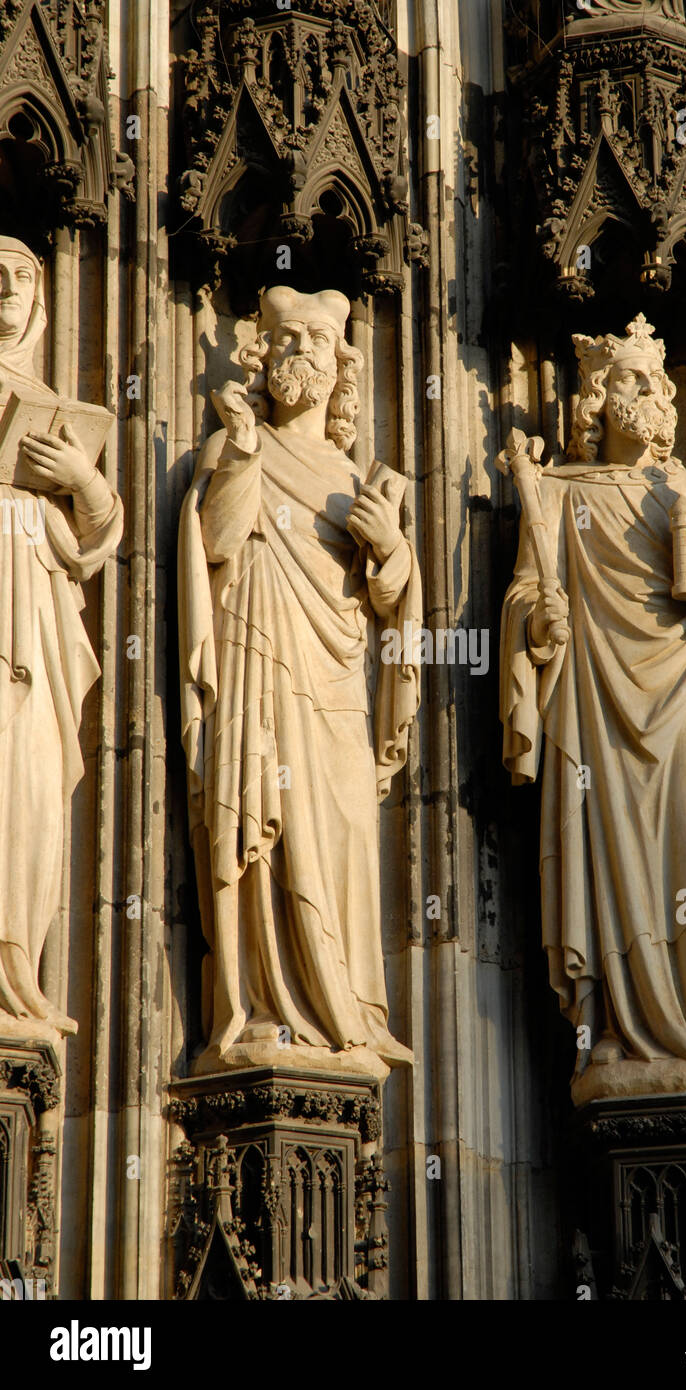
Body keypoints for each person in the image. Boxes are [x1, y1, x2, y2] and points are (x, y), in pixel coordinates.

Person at [500, 314, 686, 1104]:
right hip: (597, 710)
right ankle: (614, 1027)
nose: (647, 390)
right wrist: (536, 627)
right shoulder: (554, 493)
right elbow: (527, 593)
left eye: (655, 378)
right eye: (628, 378)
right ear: (594, 397)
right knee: (610, 867)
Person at [179, 286, 421, 1078]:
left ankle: (349, 1006)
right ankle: (265, 1011)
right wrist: (243, 450)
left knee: (348, 834)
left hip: (336, 688)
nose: (299, 355)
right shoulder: (233, 446)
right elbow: (213, 543)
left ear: (339, 367)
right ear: (263, 356)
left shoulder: (358, 479)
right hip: (258, 677)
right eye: (284, 342)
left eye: (316, 342)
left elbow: (387, 606)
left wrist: (392, 551)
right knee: (261, 828)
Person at [0, 235, 122, 1037]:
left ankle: (18, 970)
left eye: (19, 277)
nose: (5, 290)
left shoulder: (51, 411)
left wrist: (81, 480)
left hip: (38, 624)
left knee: (36, 787)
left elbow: (99, 535)